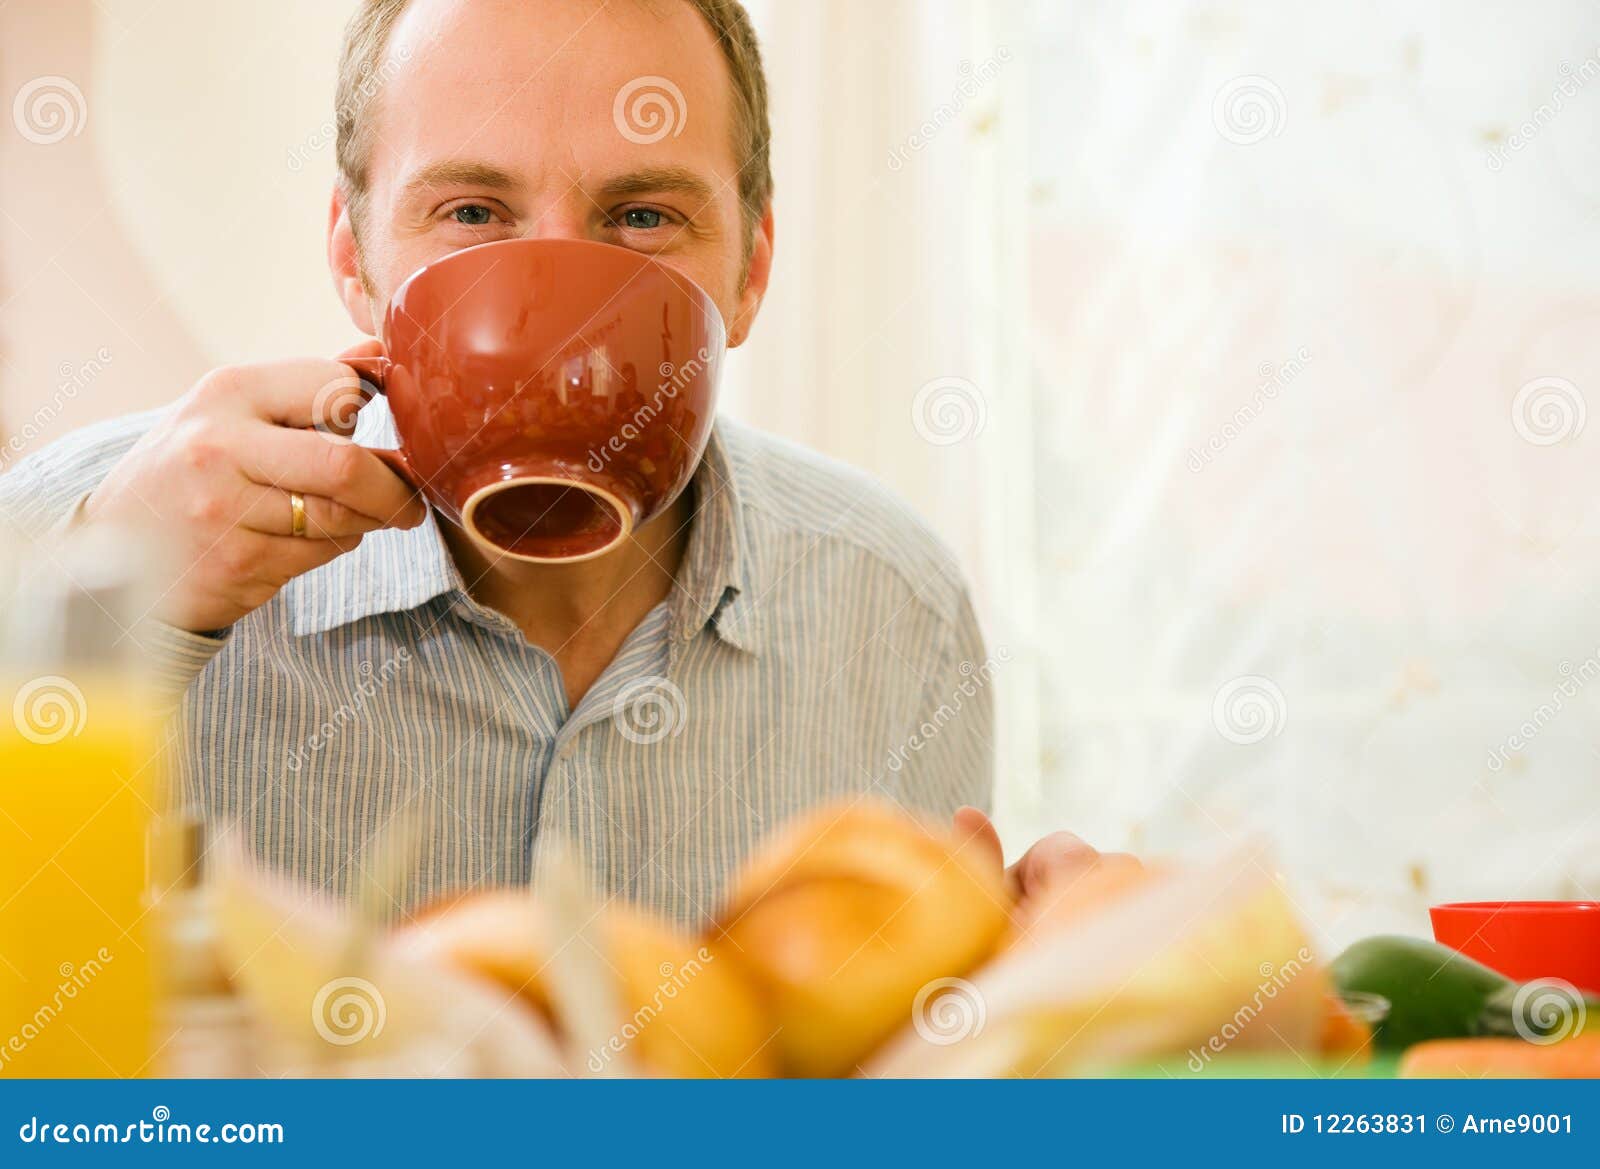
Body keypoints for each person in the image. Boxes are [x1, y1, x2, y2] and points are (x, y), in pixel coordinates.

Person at [0, 0, 1116, 923]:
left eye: (643, 215)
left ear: (749, 273)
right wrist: (115, 632)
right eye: (472, 210)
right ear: (352, 258)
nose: (566, 315)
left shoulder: (893, 604)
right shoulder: (66, 542)